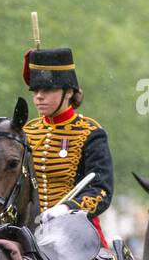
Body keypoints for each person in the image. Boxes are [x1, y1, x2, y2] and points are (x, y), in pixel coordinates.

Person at [21, 46, 114, 243]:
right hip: (28, 234)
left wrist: (67, 209)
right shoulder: (26, 133)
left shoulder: (90, 133)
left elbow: (101, 190)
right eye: (36, 90)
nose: (39, 96)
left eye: (47, 90)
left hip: (76, 233)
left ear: (69, 92)